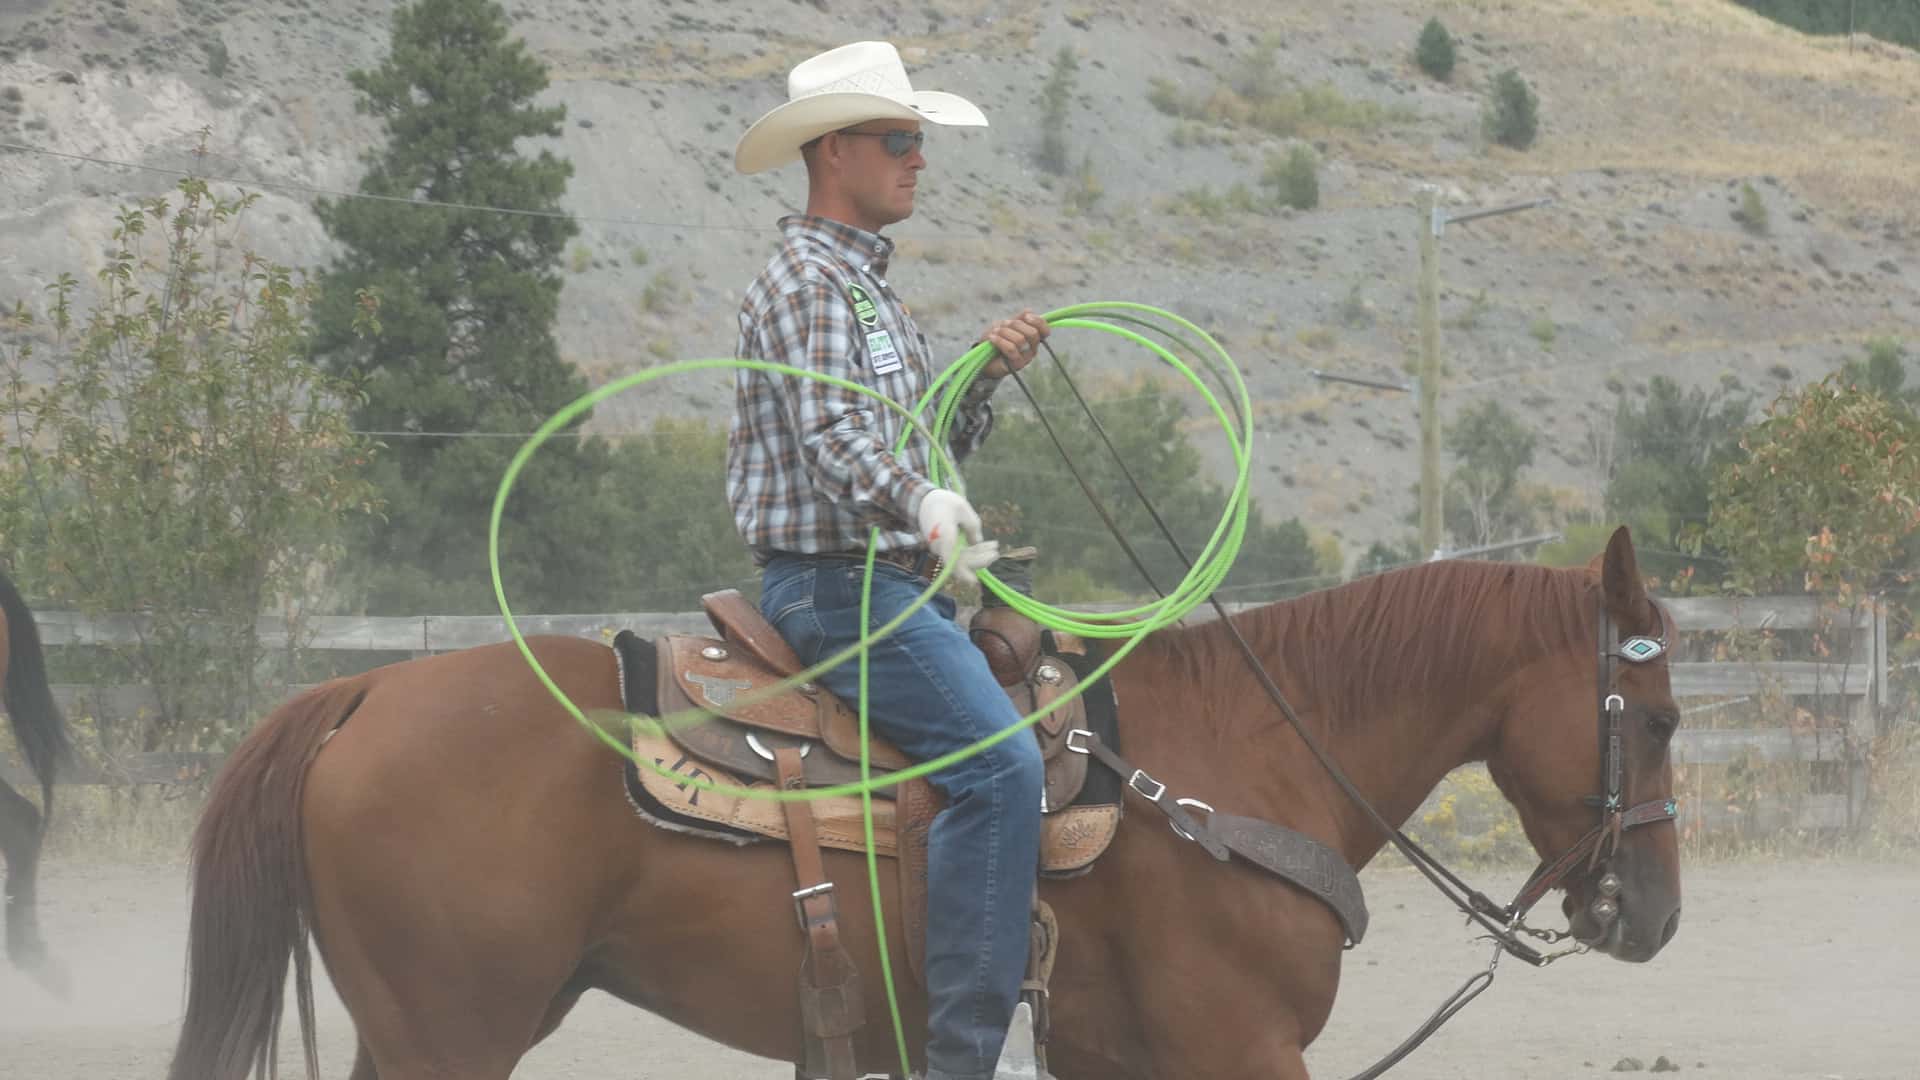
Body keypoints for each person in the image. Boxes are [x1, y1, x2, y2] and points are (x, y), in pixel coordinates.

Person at [729, 40, 1050, 1080]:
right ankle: (962, 1061)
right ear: (833, 153)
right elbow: (837, 446)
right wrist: (922, 499)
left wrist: (978, 383)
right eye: (901, 139)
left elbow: (908, 438)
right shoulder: (814, 284)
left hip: (880, 578)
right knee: (1003, 769)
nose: (920, 160)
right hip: (839, 587)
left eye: (920, 140)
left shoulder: (864, 293)